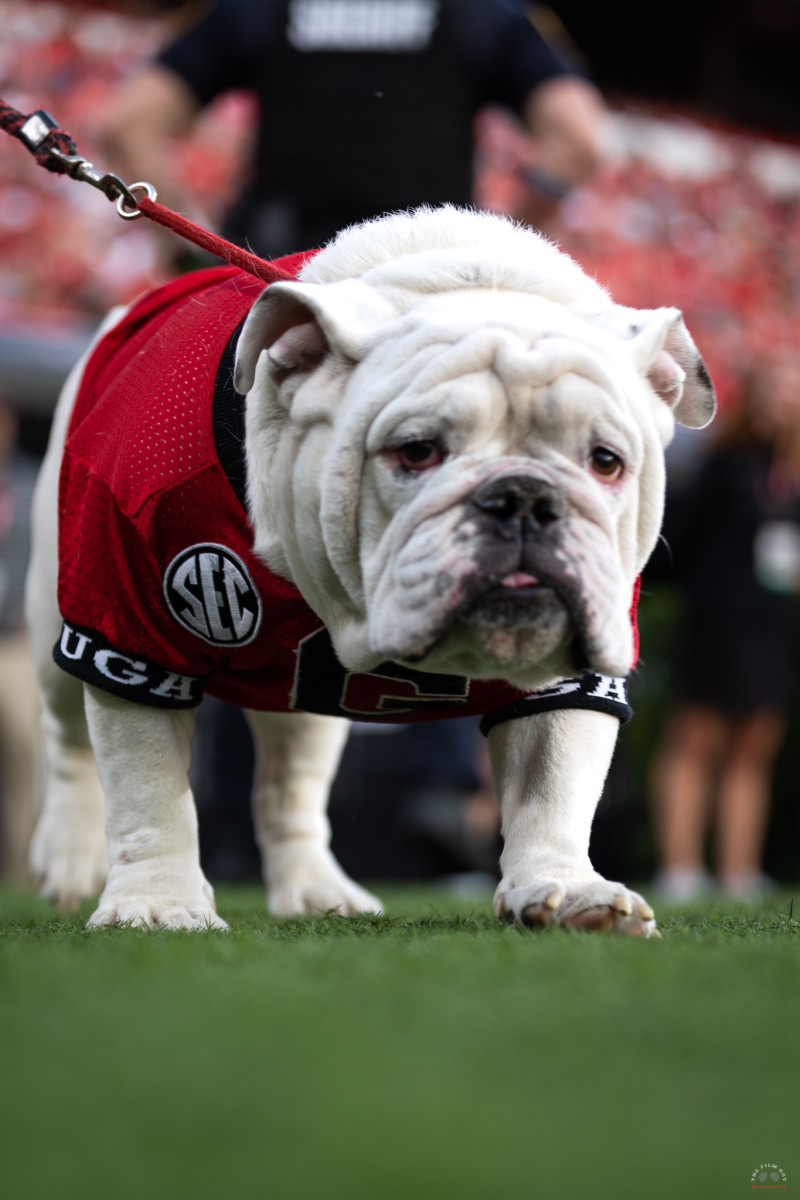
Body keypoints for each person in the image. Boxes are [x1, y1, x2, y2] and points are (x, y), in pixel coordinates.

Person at [98, 0, 606, 259]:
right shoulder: (481, 11)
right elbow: (578, 139)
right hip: (424, 281)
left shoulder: (260, 6)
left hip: (273, 279)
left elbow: (131, 122)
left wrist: (188, 255)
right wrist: (501, 249)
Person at [649, 352, 800, 900]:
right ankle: (681, 867)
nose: (784, 401)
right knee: (695, 741)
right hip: (717, 622)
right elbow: (678, 544)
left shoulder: (791, 478)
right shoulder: (724, 467)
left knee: (753, 748)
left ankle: (740, 871)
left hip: (772, 629)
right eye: (776, 388)